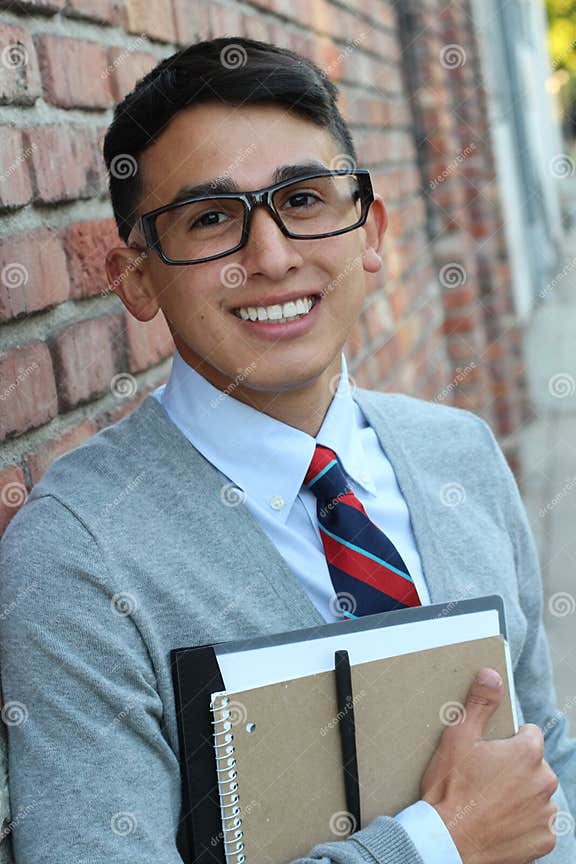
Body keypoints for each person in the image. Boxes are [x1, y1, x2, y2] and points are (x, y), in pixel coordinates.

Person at [0, 36, 573, 864]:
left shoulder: (460, 454)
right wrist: (435, 847)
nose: (269, 259)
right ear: (135, 278)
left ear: (370, 231)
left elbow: (544, 748)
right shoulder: (78, 561)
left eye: (303, 200)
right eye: (209, 219)